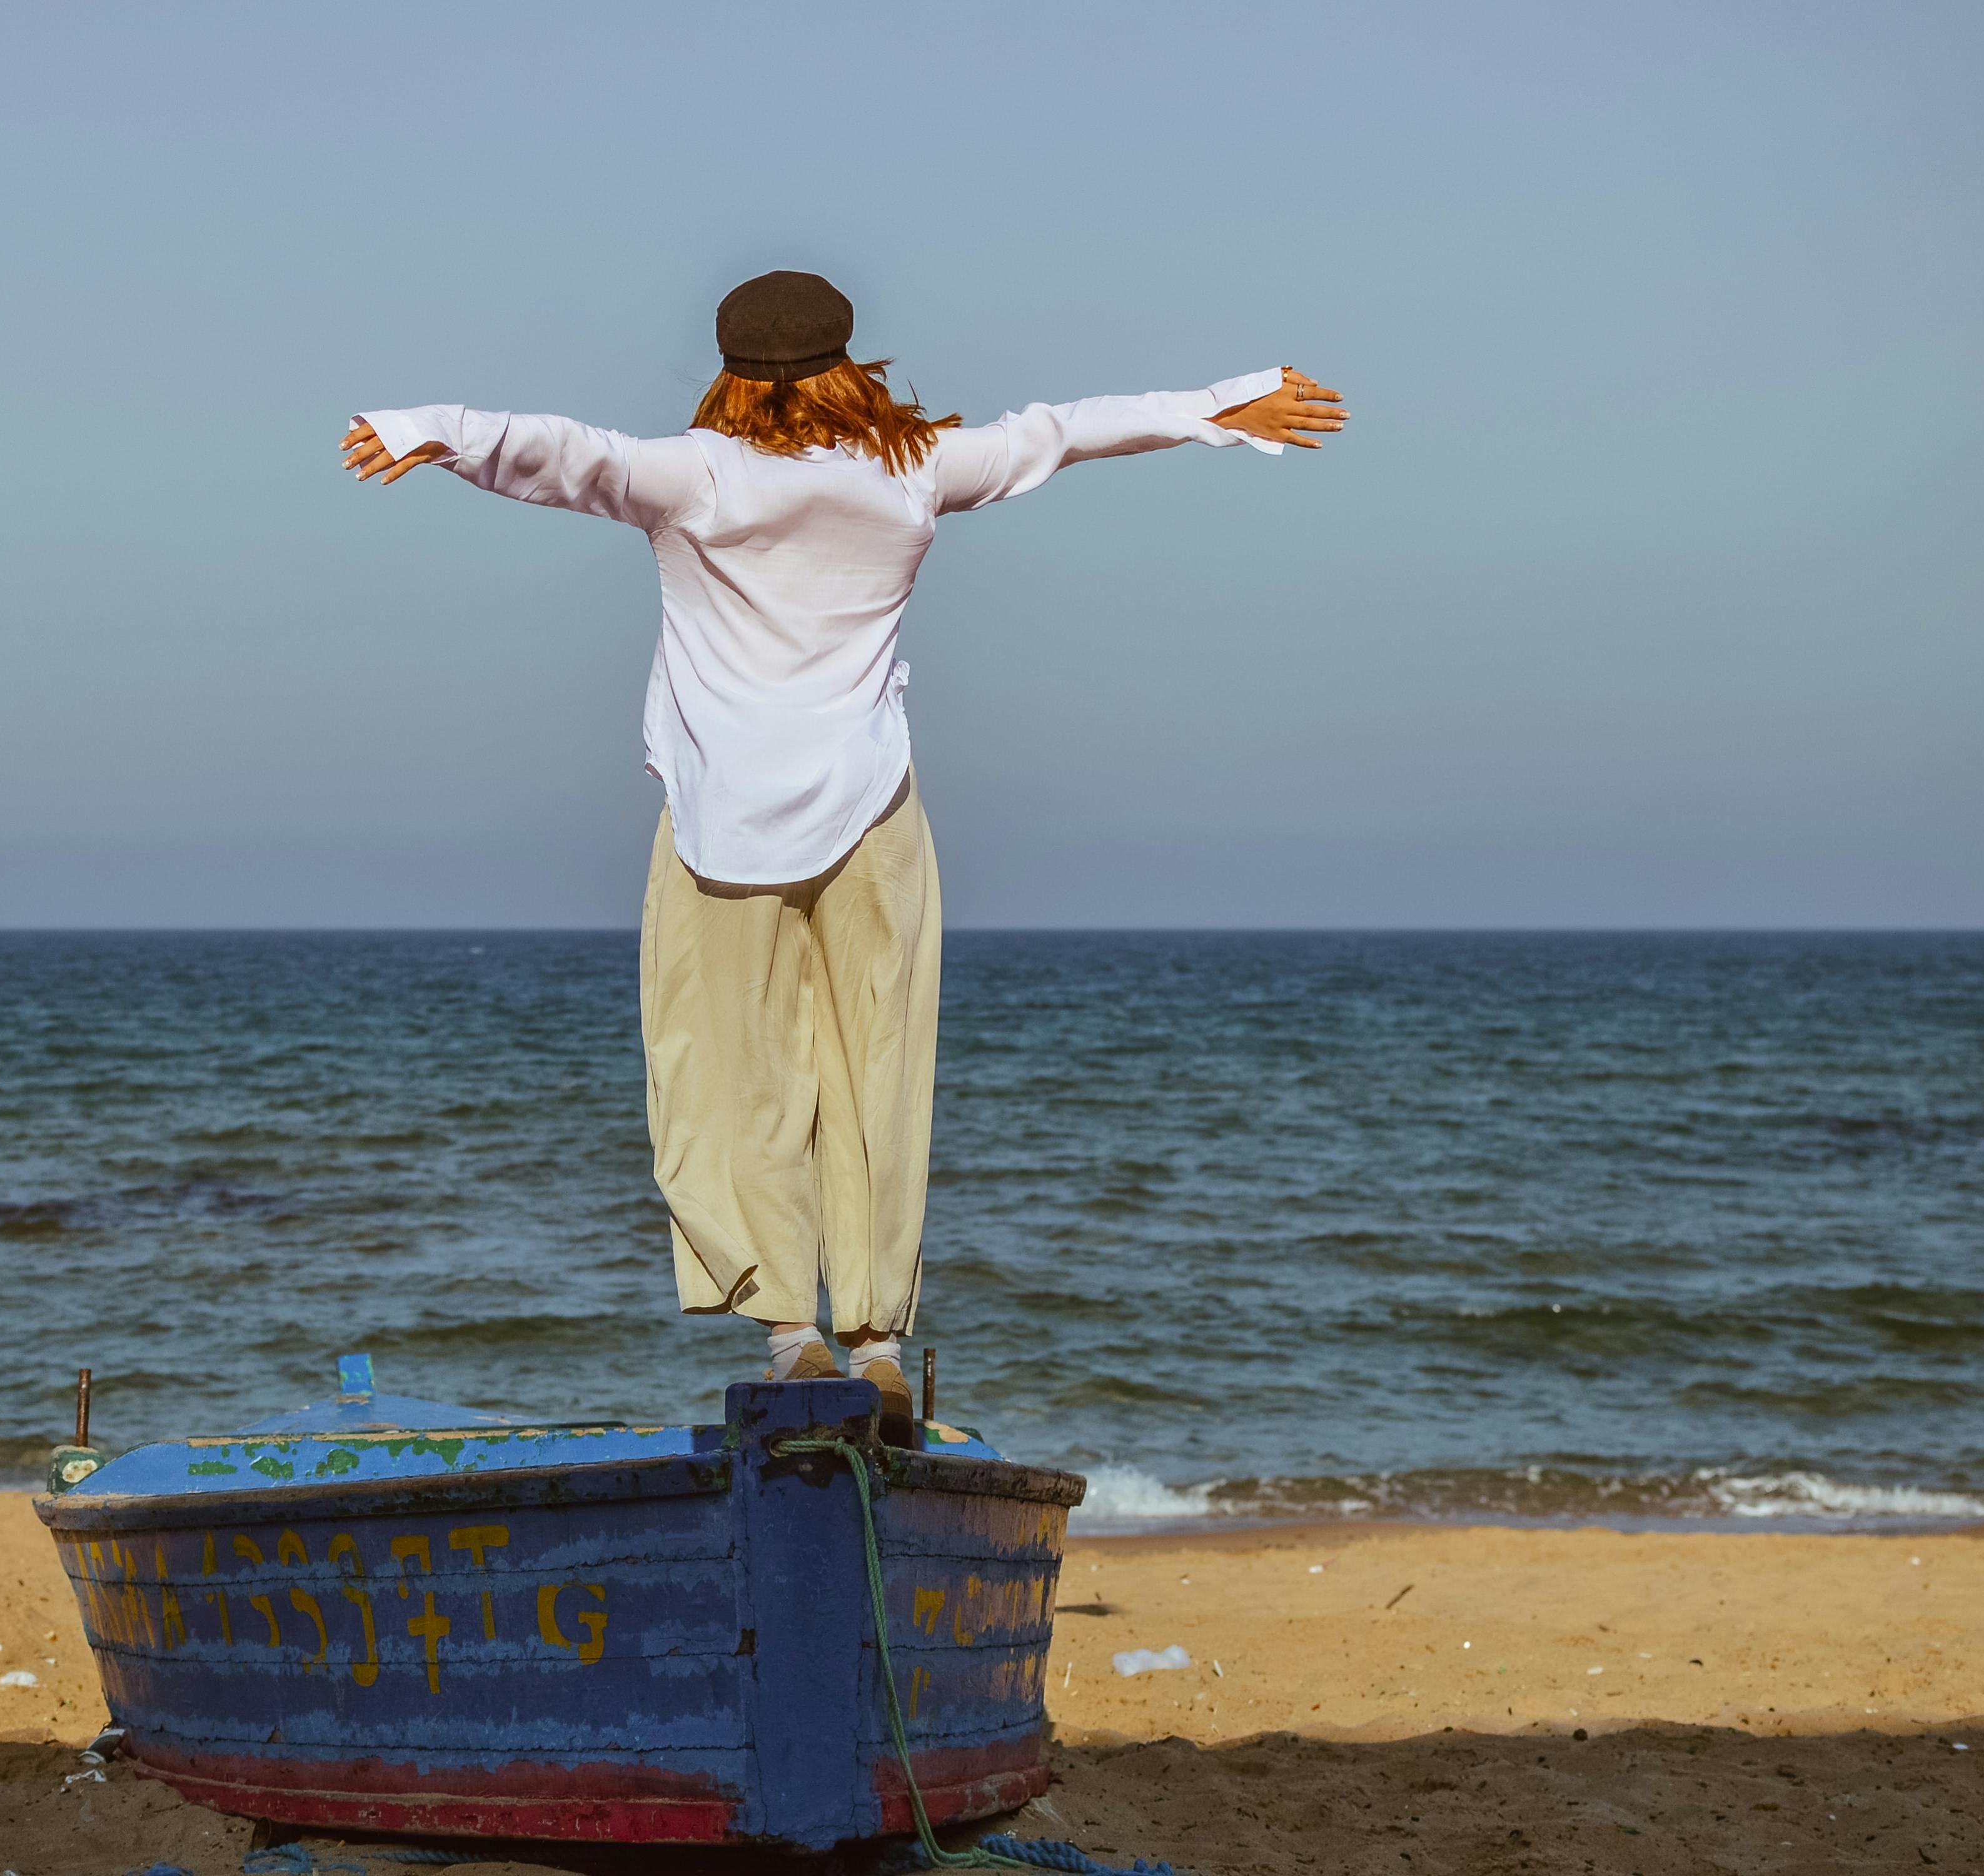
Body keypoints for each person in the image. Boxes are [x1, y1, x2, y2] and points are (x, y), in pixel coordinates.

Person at [343, 270, 1344, 1446]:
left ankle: (789, 1330)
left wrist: (428, 433)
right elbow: (1062, 432)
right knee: (879, 1069)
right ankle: (873, 1341)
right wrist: (1227, 404)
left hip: (723, 828)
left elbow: (562, 454)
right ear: (845, 361)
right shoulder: (913, 469)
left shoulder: (695, 476)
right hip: (875, 816)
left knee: (732, 1072)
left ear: (730, 372)